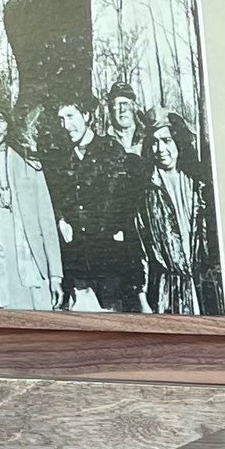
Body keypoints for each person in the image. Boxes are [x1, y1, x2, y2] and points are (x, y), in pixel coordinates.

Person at [0, 89, 59, 310]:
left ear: (9, 122)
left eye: (1, 119)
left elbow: (47, 221)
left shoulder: (29, 163)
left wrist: (56, 274)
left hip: (31, 269)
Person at [71, 88, 152, 311]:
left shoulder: (149, 140)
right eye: (115, 105)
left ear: (134, 105)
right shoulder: (104, 146)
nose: (121, 109)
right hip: (119, 232)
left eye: (125, 103)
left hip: (150, 219)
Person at [137, 116, 220, 315]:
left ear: (178, 142)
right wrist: (141, 296)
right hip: (164, 291)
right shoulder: (146, 192)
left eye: (166, 141)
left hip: (202, 288)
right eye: (154, 143)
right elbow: (140, 248)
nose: (160, 149)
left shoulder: (198, 187)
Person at [34, 98, 97, 308]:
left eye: (70, 117)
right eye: (61, 119)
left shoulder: (109, 151)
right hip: (76, 267)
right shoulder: (60, 159)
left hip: (107, 266)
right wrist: (61, 218)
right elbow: (56, 199)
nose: (66, 126)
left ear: (86, 115)